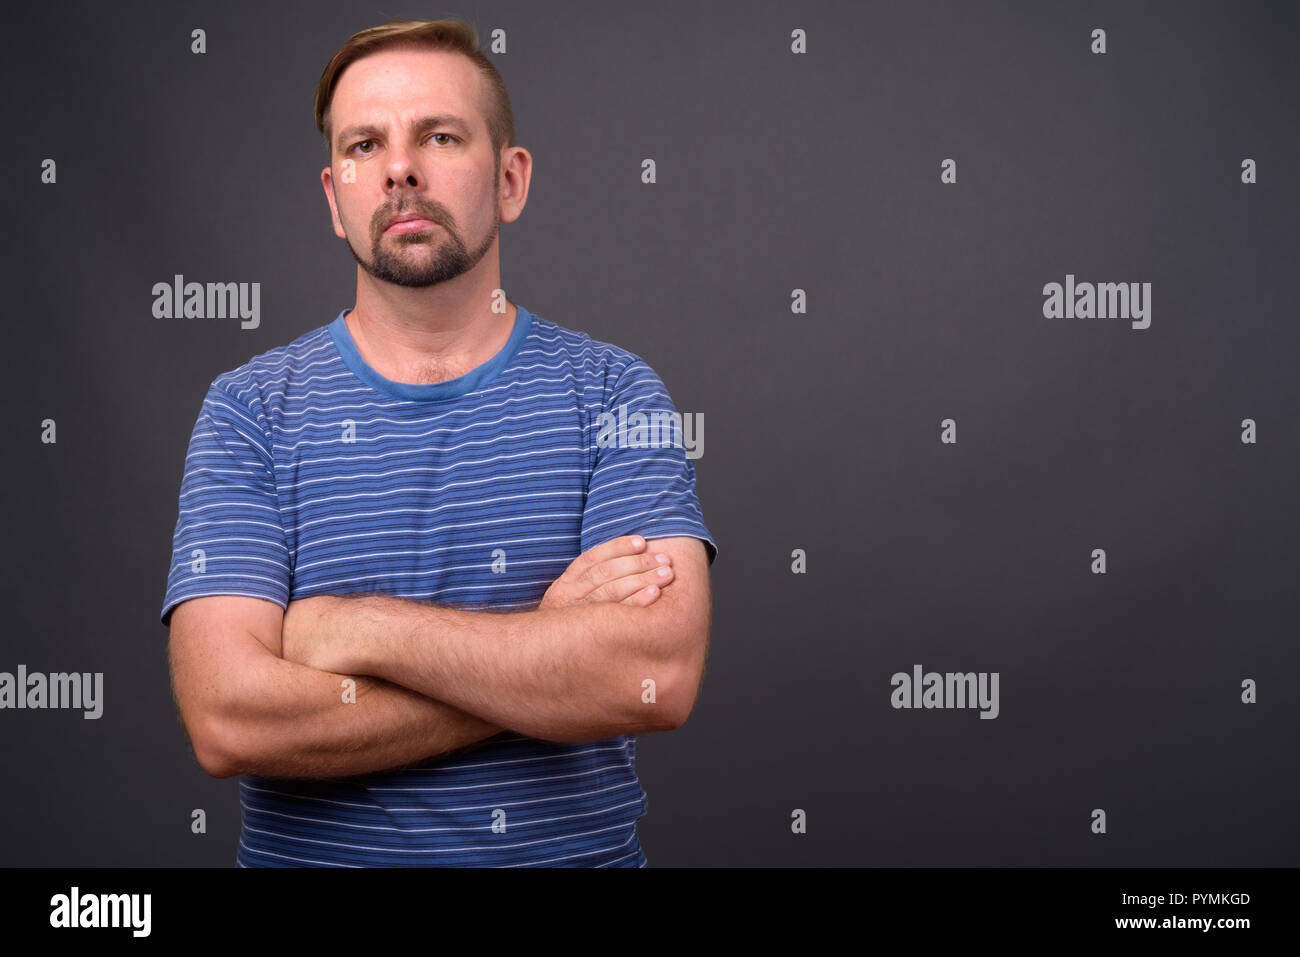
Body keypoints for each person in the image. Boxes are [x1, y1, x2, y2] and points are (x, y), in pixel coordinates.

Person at [160, 18, 716, 867]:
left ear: (510, 180)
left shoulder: (616, 393)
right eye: (364, 144)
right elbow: (228, 718)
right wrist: (545, 648)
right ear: (333, 197)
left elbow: (654, 675)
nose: (400, 168)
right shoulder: (248, 411)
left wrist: (358, 628)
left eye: (440, 135)